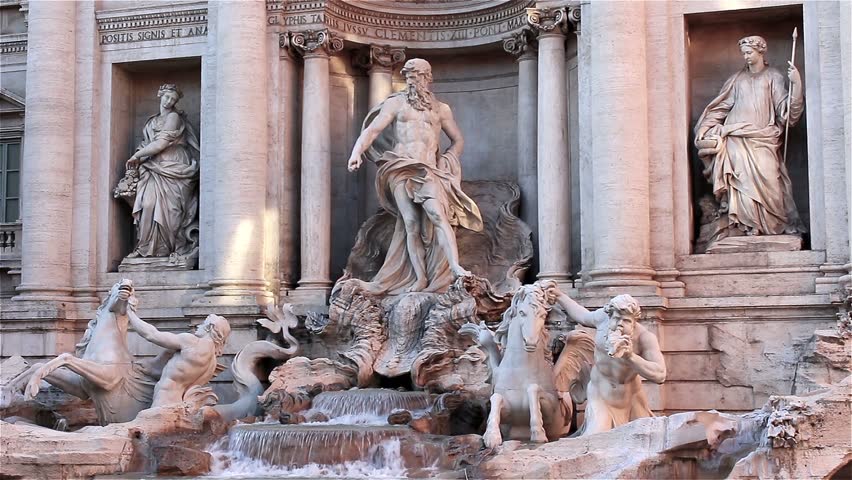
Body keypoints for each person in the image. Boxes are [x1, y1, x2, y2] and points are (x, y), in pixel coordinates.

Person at [346, 58, 483, 294]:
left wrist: (448, 158)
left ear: (428, 78)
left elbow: (458, 140)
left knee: (437, 215)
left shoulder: (441, 109)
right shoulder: (396, 103)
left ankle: (455, 267)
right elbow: (374, 129)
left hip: (428, 169)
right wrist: (356, 152)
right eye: (409, 76)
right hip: (400, 167)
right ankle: (420, 278)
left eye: (417, 76)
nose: (413, 80)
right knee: (410, 222)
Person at [694, 35, 805, 237]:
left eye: (749, 52)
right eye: (743, 53)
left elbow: (787, 113)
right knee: (740, 182)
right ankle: (744, 226)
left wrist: (796, 85)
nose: (745, 57)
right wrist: (705, 127)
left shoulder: (773, 77)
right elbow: (719, 109)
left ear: (760, 51)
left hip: (764, 139)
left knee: (771, 179)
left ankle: (771, 226)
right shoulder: (736, 80)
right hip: (735, 138)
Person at [541, 282, 666, 436]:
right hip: (600, 394)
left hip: (631, 398)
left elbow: (660, 375)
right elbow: (582, 315)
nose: (620, 324)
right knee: (596, 437)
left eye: (626, 321)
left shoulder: (645, 337)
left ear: (634, 321)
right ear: (610, 316)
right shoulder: (602, 319)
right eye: (617, 318)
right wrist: (560, 296)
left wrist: (630, 356)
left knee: (645, 439)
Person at [125, 84, 200, 258]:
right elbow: (148, 143)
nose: (169, 101)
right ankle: (145, 248)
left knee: (172, 211)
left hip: (174, 166)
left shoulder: (174, 117)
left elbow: (161, 144)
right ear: (160, 95)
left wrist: (137, 156)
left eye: (173, 99)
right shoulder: (151, 121)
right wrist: (140, 157)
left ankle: (167, 250)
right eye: (167, 97)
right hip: (153, 166)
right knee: (148, 205)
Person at [126, 304, 230, 408]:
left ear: (209, 327)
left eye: (203, 324)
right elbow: (179, 375)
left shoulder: (192, 342)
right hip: (179, 404)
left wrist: (130, 313)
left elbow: (152, 334)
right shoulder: (212, 363)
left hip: (164, 402)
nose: (198, 326)